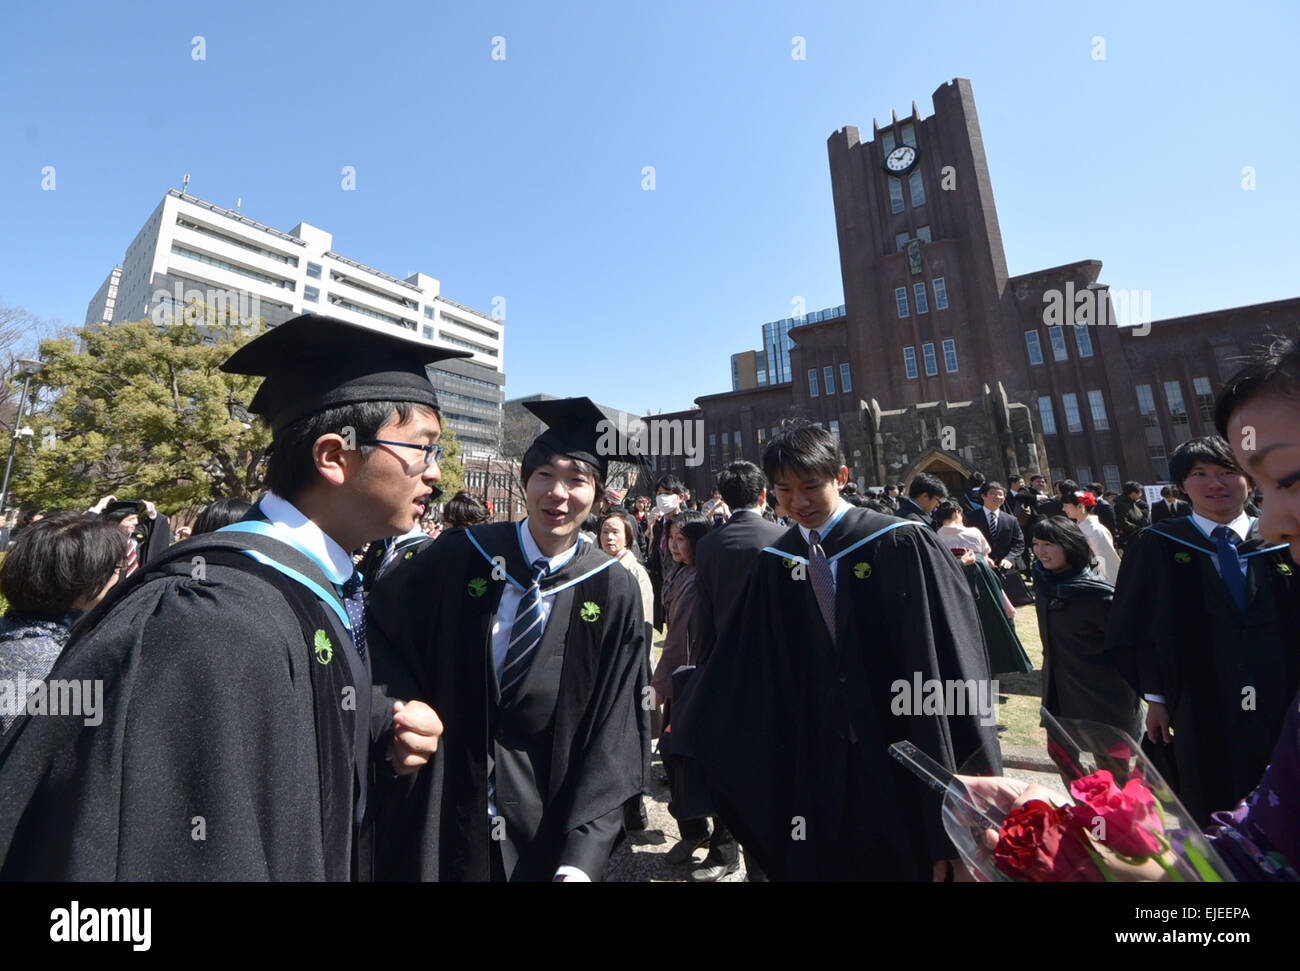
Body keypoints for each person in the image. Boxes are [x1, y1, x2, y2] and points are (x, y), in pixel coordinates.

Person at [0, 313, 452, 880]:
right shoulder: (210, 615)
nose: (435, 474)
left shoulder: (316, 590)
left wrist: (381, 725)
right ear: (335, 457)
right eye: (423, 448)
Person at [673, 421, 1001, 881]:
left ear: (841, 477)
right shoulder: (778, 562)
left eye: (811, 486)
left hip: (904, 763)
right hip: (819, 769)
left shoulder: (901, 542)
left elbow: (955, 670)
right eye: (784, 490)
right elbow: (748, 668)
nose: (798, 503)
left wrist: (966, 820)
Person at [366, 396, 649, 882]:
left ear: (600, 497)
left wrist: (582, 860)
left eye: (577, 480)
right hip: (444, 810)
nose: (558, 493)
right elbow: (377, 632)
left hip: (547, 829)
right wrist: (392, 715)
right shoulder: (461, 556)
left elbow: (617, 727)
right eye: (544, 475)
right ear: (523, 483)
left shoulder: (612, 586)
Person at [1107, 435, 1300, 826]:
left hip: (1286, 694)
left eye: (1229, 472)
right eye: (1201, 474)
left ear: (1248, 478)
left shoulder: (1284, 539)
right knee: (1211, 804)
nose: (1217, 484)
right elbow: (1135, 628)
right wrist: (1156, 697)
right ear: (1182, 485)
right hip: (1198, 699)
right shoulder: (1156, 544)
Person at [684, 459, 787, 881]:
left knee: (727, 763)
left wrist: (703, 667)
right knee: (776, 770)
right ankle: (766, 863)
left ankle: (725, 851)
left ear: (722, 497)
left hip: (723, 670)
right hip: (777, 673)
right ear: (764, 494)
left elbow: (702, 617)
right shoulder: (786, 537)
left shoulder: (709, 545)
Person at [0, 513, 125, 732]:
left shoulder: (15, 630)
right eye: (113, 569)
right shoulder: (46, 661)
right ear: (80, 578)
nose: (117, 578)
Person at [1031, 516, 1141, 739]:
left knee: (1113, 763)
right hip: (1059, 688)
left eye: (1048, 545)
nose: (1040, 551)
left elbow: (1130, 650)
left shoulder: (1099, 596)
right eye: (1035, 544)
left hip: (1103, 694)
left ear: (1069, 545)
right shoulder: (1045, 583)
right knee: (1062, 754)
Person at [932, 501, 1031, 675]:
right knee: (995, 617)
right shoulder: (973, 532)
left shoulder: (936, 536)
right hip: (982, 578)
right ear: (957, 513)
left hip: (955, 580)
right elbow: (985, 553)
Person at [646, 475, 687, 630]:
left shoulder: (689, 523)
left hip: (685, 586)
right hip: (664, 587)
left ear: (680, 497)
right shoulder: (657, 525)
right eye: (659, 494)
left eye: (668, 494)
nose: (662, 498)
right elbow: (656, 554)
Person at [1062, 490, 1121, 584]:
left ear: (1080, 506)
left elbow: (1102, 560)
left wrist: (1097, 581)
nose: (1063, 509)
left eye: (1066, 505)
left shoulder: (1095, 530)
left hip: (1100, 580)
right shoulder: (1082, 526)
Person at [1113, 481, 1150, 551]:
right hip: (1131, 540)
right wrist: (1140, 528)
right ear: (1133, 493)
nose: (1140, 495)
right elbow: (1122, 523)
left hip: (1139, 537)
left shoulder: (1132, 503)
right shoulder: (1121, 505)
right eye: (1139, 493)